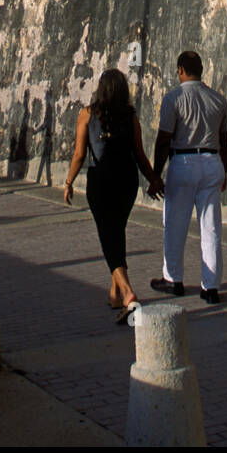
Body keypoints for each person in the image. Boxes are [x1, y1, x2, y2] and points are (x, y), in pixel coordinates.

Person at [64, 69, 163, 322]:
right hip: (127, 180)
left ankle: (129, 294)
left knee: (108, 236)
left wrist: (68, 182)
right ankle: (115, 293)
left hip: (101, 181)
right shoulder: (130, 116)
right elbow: (139, 154)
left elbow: (79, 155)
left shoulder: (87, 114)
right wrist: (153, 178)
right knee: (115, 232)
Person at [150, 50, 227, 304]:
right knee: (211, 226)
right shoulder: (218, 99)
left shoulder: (173, 98)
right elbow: (225, 140)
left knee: (175, 223)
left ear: (181, 70)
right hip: (212, 161)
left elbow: (164, 139)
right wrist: (224, 170)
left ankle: (173, 278)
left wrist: (155, 174)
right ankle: (211, 286)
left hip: (183, 162)